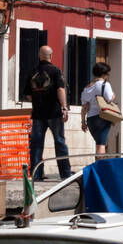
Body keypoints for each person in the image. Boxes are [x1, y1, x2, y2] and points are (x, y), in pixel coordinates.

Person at [28, 45, 71, 181]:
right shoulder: (56, 71)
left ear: (39, 56)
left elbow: (28, 95)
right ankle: (65, 174)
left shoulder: (32, 71)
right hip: (54, 112)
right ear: (51, 56)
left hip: (38, 113)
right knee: (59, 142)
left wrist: (39, 99)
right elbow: (60, 90)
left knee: (36, 144)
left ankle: (36, 174)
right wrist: (64, 107)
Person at [80, 62, 116, 156]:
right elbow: (109, 98)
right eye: (107, 74)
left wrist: (83, 122)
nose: (107, 76)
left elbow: (84, 108)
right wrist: (113, 96)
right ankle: (100, 168)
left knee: (98, 144)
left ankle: (98, 165)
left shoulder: (86, 88)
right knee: (101, 145)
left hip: (90, 119)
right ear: (104, 74)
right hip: (102, 117)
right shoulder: (104, 84)